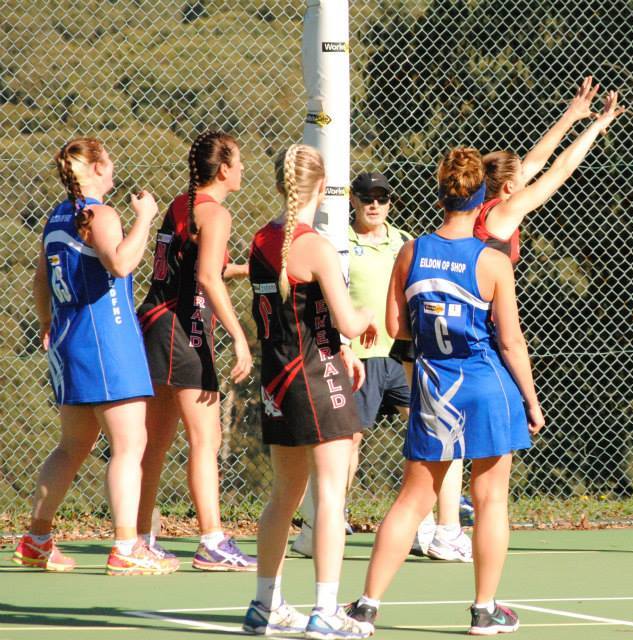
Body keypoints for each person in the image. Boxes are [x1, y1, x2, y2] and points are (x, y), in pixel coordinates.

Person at [344, 146, 545, 636]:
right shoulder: (492, 260)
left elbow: (395, 325)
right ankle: (484, 611)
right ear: (483, 200)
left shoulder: (411, 250)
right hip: (487, 382)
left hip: (435, 385)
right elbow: (512, 341)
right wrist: (532, 400)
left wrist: (434, 326)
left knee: (413, 500)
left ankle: (367, 606)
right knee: (490, 499)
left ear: (441, 196)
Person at [13, 137, 178, 575]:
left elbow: (39, 279)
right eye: (109, 161)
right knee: (130, 444)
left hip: (70, 336)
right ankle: (126, 547)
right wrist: (144, 218)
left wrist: (47, 322)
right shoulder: (100, 214)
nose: (114, 167)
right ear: (98, 167)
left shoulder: (57, 216)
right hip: (105, 337)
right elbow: (121, 264)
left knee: (73, 445)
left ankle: (37, 539)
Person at [291, 172, 473, 563]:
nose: (374, 204)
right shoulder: (337, 242)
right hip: (358, 357)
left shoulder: (405, 242)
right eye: (366, 197)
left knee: (436, 429)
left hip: (403, 357)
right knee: (348, 440)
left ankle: (428, 527)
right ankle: (318, 526)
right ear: (353, 201)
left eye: (381, 197)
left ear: (391, 202)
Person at [242, 144, 376, 638]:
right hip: (317, 382)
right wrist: (365, 321)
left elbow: (298, 318)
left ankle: (264, 604)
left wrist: (336, 345)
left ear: (281, 184)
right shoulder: (314, 245)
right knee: (330, 496)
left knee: (284, 494)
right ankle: (324, 611)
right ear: (321, 189)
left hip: (278, 382)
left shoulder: (261, 240)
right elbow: (344, 318)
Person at [136, 130, 255, 571]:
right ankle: (211, 540)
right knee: (207, 438)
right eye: (238, 162)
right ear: (223, 169)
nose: (242, 169)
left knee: (156, 442)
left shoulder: (181, 204)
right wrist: (239, 335)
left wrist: (248, 268)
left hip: (152, 325)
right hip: (182, 332)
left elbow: (207, 267)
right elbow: (207, 278)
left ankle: (140, 536)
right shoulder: (217, 213)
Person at [475, 76, 625, 265]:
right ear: (509, 186)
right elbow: (562, 169)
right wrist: (596, 127)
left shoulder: (484, 207)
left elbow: (535, 161)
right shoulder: (507, 210)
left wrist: (571, 114)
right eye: (521, 172)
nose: (526, 172)